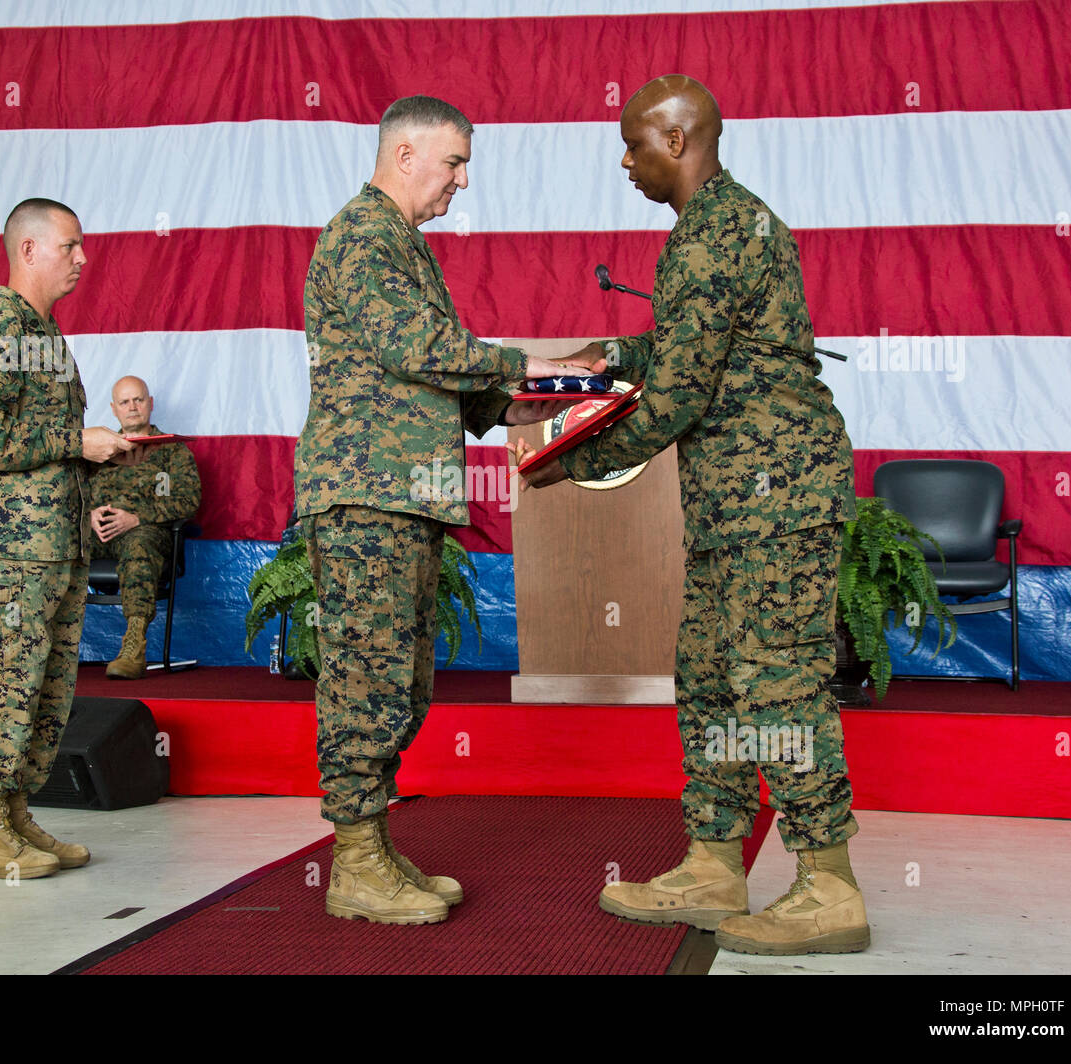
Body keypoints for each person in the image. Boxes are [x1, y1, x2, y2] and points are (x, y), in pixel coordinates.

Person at [512, 75, 869, 955]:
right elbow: (690, 343)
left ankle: (830, 886)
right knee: (710, 674)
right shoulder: (722, 226)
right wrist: (602, 357)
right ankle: (714, 861)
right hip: (733, 505)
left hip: (775, 496)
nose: (625, 162)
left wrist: (561, 462)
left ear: (677, 142)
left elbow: (673, 397)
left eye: (635, 146)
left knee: (775, 681)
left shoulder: (711, 236)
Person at [295, 94, 604, 925]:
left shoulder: (401, 247)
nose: (462, 181)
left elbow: (433, 378)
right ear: (404, 156)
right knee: (368, 678)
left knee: (402, 678)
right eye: (454, 161)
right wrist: (542, 361)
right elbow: (417, 349)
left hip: (406, 496)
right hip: (368, 494)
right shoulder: (363, 236)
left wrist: (517, 407)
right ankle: (355, 861)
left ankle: (375, 844)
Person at [0, 198, 139, 879]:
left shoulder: (45, 337)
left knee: (48, 692)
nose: (83, 258)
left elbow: (39, 447)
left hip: (53, 548)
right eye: (71, 245)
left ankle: (17, 813)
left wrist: (94, 455)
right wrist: (73, 440)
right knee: (5, 687)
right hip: (5, 556)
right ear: (29, 251)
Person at [88, 375, 202, 679]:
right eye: (124, 402)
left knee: (139, 542)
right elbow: (74, 495)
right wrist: (89, 516)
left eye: (138, 399)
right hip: (99, 534)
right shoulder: (100, 454)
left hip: (147, 534)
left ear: (150, 403)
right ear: (114, 409)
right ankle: (44, 645)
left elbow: (189, 500)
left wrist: (137, 517)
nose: (133, 407)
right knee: (56, 538)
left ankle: (134, 647)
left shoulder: (172, 451)